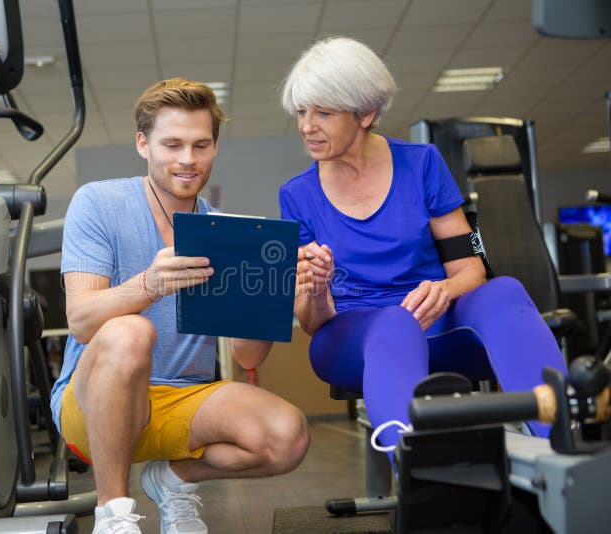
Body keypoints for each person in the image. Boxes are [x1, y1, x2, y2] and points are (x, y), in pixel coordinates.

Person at [277, 37, 568, 454]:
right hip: (350, 336)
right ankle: (421, 478)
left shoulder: (423, 163)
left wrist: (446, 290)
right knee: (394, 323)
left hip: (437, 320)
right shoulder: (297, 196)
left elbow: (471, 270)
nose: (307, 125)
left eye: (323, 113)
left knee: (504, 291)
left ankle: (562, 446)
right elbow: (311, 322)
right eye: (302, 112)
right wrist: (317, 289)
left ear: (367, 113)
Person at [51, 78, 309, 534]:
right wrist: (149, 285)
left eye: (200, 145)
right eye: (172, 144)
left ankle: (172, 480)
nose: (187, 160)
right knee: (131, 332)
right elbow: (82, 320)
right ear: (142, 144)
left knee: (287, 437)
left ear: (214, 147)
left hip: (182, 401)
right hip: (91, 403)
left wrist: (273, 295)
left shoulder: (226, 231)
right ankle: (113, 515)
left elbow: (248, 357)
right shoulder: (99, 202)